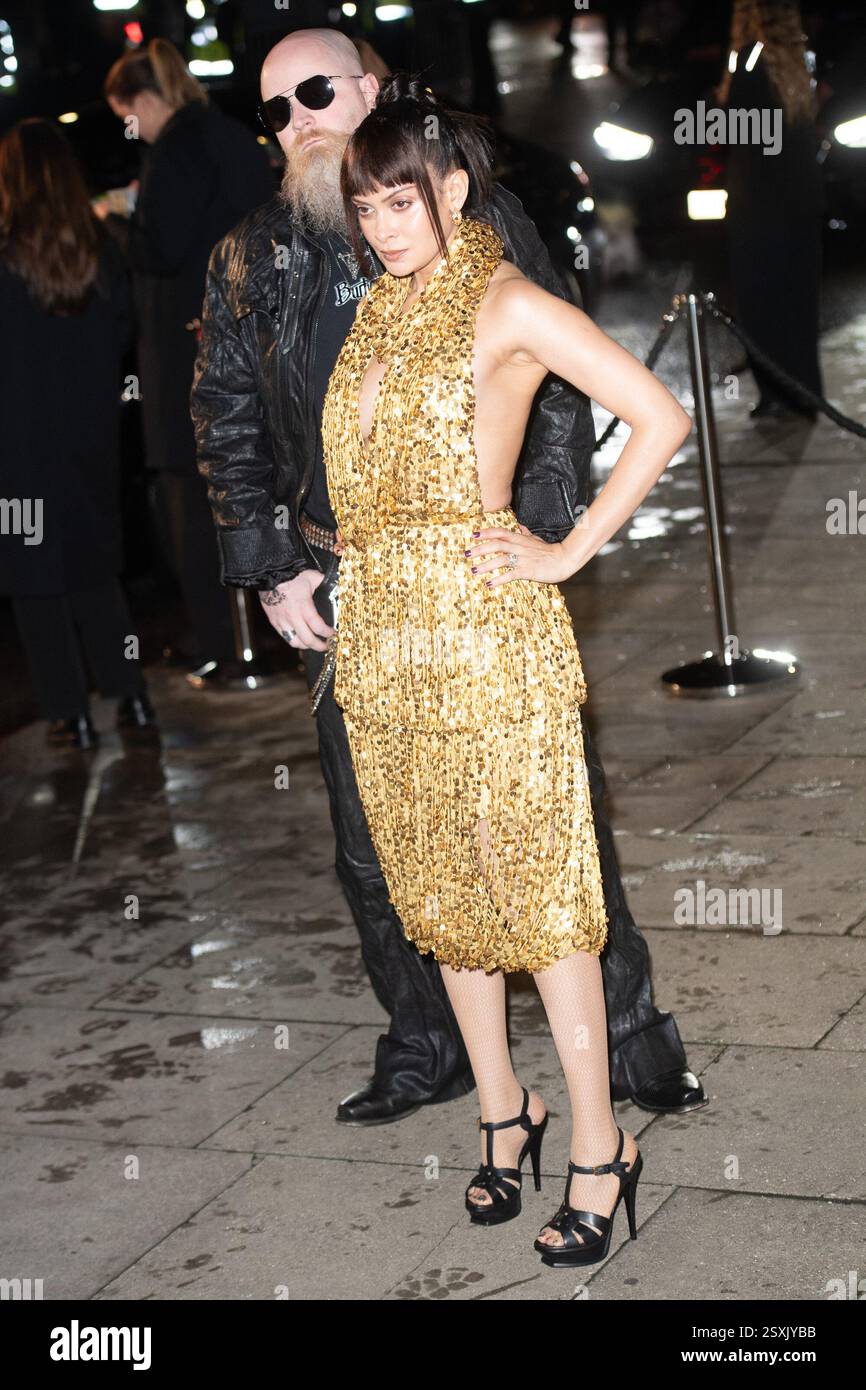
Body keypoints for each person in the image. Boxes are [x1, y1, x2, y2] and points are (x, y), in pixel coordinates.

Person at [191, 25, 707, 1133]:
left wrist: (548, 535)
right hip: (350, 594)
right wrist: (271, 568)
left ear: (372, 91)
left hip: (476, 595)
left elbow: (564, 396)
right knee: (382, 849)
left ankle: (626, 1043)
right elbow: (226, 419)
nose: (297, 122)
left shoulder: (482, 231)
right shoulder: (252, 253)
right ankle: (435, 1053)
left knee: (550, 841)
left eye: (316, 92)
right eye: (273, 110)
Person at [319, 72, 690, 1264]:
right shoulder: (375, 310)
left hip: (487, 641)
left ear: (453, 189)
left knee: (537, 900)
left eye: (400, 203)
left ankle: (597, 1143)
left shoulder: (506, 302)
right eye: (364, 207)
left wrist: (566, 545)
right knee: (439, 897)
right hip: (385, 648)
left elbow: (657, 413)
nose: (381, 227)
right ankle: (500, 1110)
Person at [102, 37, 275, 683]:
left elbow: (160, 248)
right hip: (244, 338)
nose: (131, 128)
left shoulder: (175, 149)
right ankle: (261, 632)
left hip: (189, 352)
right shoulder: (228, 137)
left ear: (145, 99)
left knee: (191, 500)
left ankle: (221, 643)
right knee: (249, 484)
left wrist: (119, 217)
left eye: (127, 113)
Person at [0, 118, 154, 750]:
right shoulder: (100, 246)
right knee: (96, 572)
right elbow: (122, 334)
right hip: (91, 440)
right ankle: (133, 698)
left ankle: (70, 713)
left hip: (16, 452)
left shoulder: (3, 253)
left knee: (32, 580)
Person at [715, 0, 823, 420]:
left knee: (760, 302)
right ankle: (805, 391)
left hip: (759, 203)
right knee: (798, 299)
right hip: (799, 201)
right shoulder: (798, 61)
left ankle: (778, 391)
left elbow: (733, 129)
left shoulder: (747, 59)